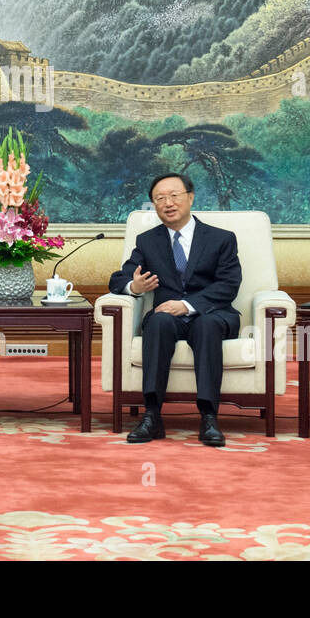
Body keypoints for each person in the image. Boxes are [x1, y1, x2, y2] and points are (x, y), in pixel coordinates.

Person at [108, 172, 242, 446]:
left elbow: (229, 285)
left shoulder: (221, 238)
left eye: (174, 196)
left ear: (190, 198)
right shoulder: (148, 241)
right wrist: (135, 287)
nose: (167, 203)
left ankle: (208, 417)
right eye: (159, 198)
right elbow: (118, 279)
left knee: (206, 325)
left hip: (211, 314)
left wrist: (187, 305)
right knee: (157, 321)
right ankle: (152, 416)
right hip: (167, 317)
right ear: (154, 206)